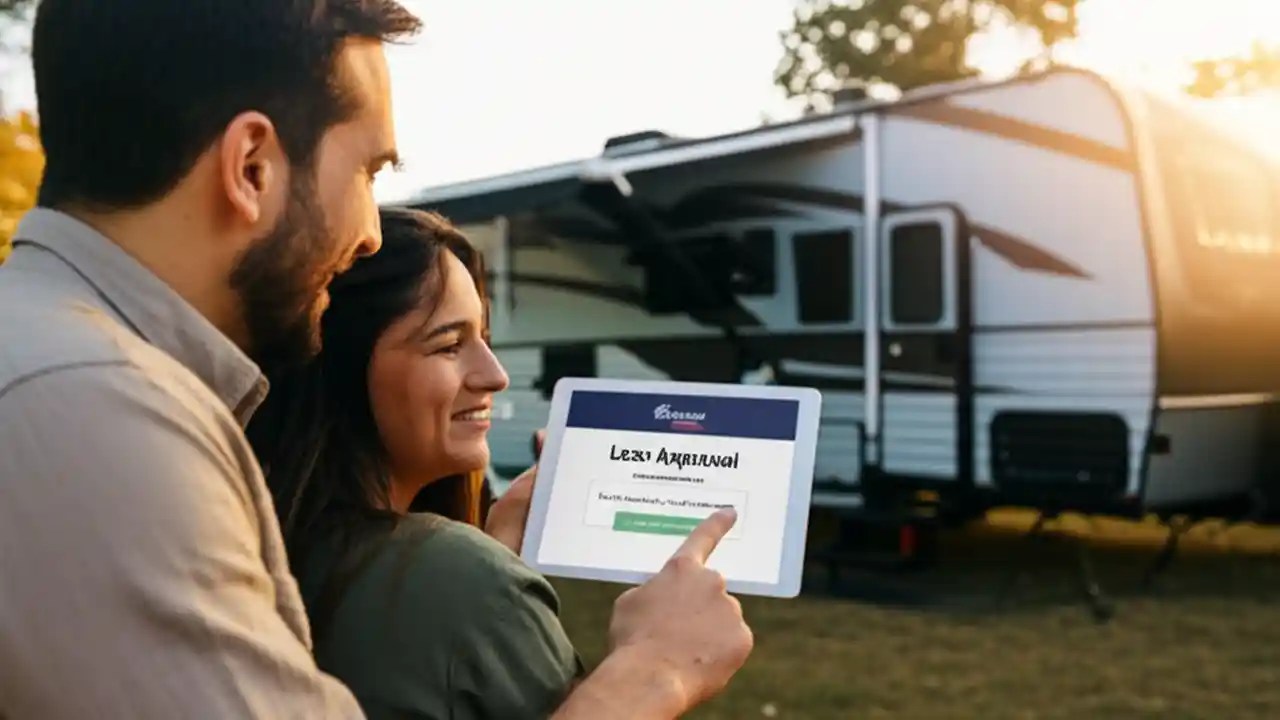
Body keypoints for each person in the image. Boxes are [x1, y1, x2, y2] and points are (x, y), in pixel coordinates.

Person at [0, 2, 751, 718]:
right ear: (252, 166)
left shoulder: (50, 358)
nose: (368, 233)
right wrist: (651, 675)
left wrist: (477, 570)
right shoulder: (98, 411)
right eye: (368, 170)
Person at [246, 207, 574, 718]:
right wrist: (656, 665)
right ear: (341, 367)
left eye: (484, 340)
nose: (495, 375)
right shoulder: (462, 585)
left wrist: (496, 556)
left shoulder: (241, 544)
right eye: (449, 345)